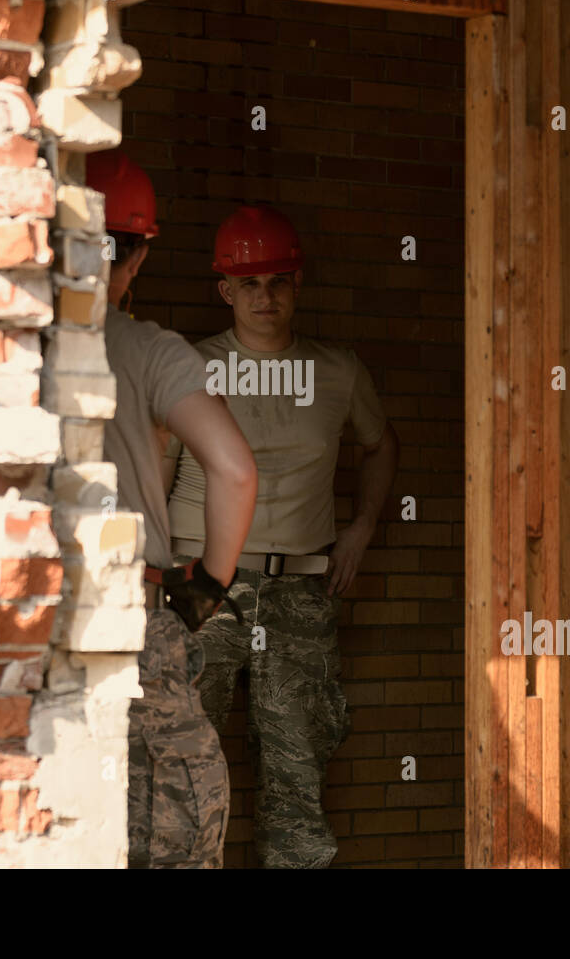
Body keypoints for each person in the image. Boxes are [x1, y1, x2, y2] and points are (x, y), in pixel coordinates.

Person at [166, 204, 399, 868]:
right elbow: (156, 470)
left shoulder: (337, 370)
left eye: (279, 281)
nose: (265, 298)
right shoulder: (191, 367)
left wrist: (362, 526)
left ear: (298, 282)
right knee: (184, 760)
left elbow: (380, 445)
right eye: (249, 284)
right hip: (204, 585)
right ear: (226, 290)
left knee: (298, 769)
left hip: (301, 584)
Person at [86, 150, 258, 869]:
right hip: (136, 619)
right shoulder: (150, 351)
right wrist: (207, 588)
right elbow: (235, 468)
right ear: (138, 254)